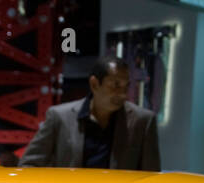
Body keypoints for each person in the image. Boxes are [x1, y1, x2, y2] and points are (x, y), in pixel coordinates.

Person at [20, 56, 160, 171]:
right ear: (94, 84)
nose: (123, 94)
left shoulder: (143, 121)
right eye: (116, 85)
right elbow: (29, 165)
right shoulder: (59, 116)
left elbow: (150, 178)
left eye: (126, 86)